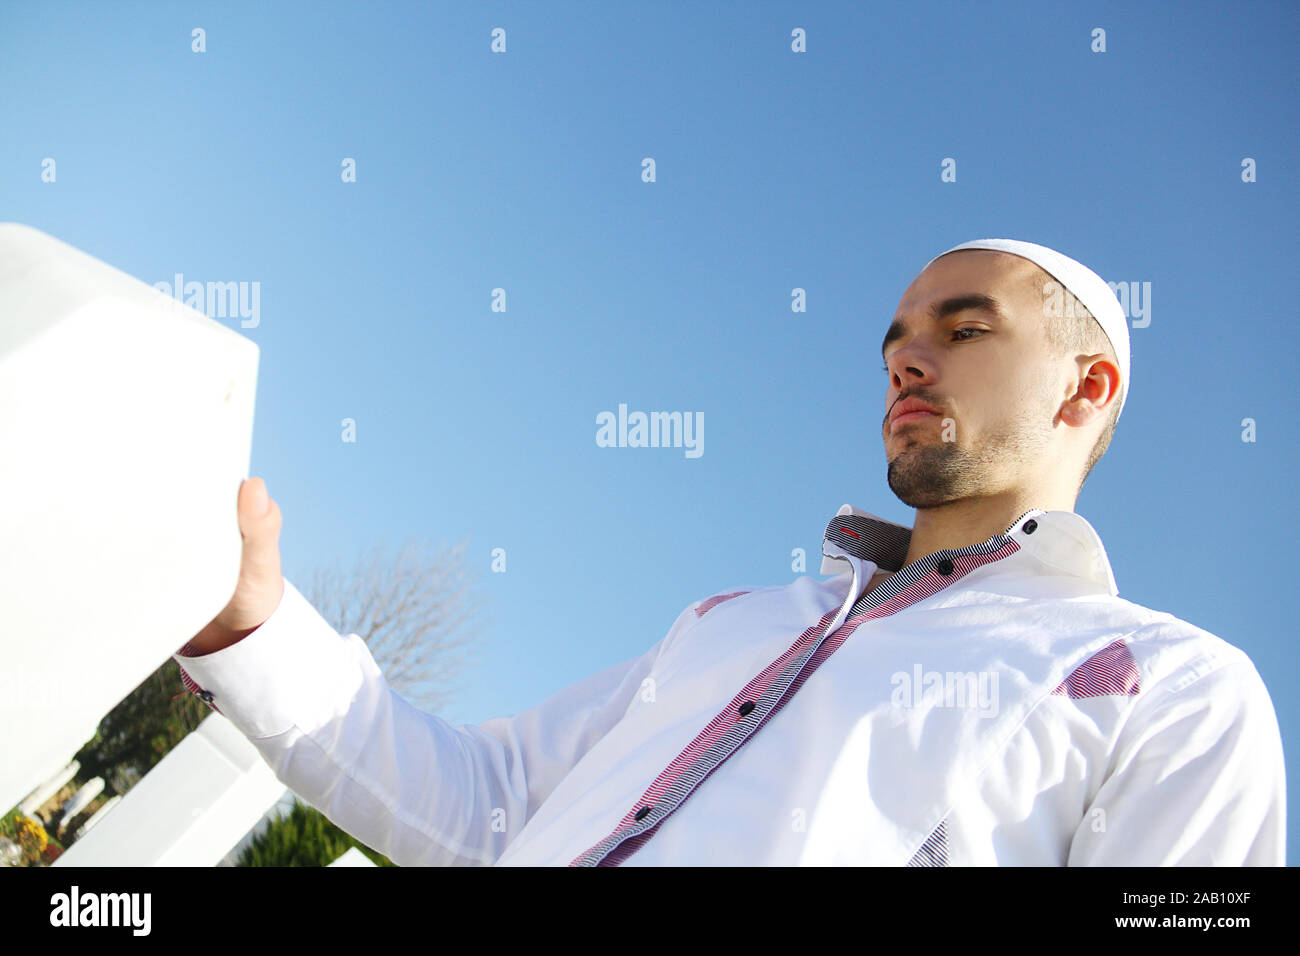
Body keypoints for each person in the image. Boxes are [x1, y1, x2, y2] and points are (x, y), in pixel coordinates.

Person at [176, 239, 1286, 866]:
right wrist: (252, 624)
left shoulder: (1176, 690)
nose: (905, 359)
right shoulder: (729, 621)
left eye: (962, 328)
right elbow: (489, 805)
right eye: (895, 338)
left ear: (1087, 387)